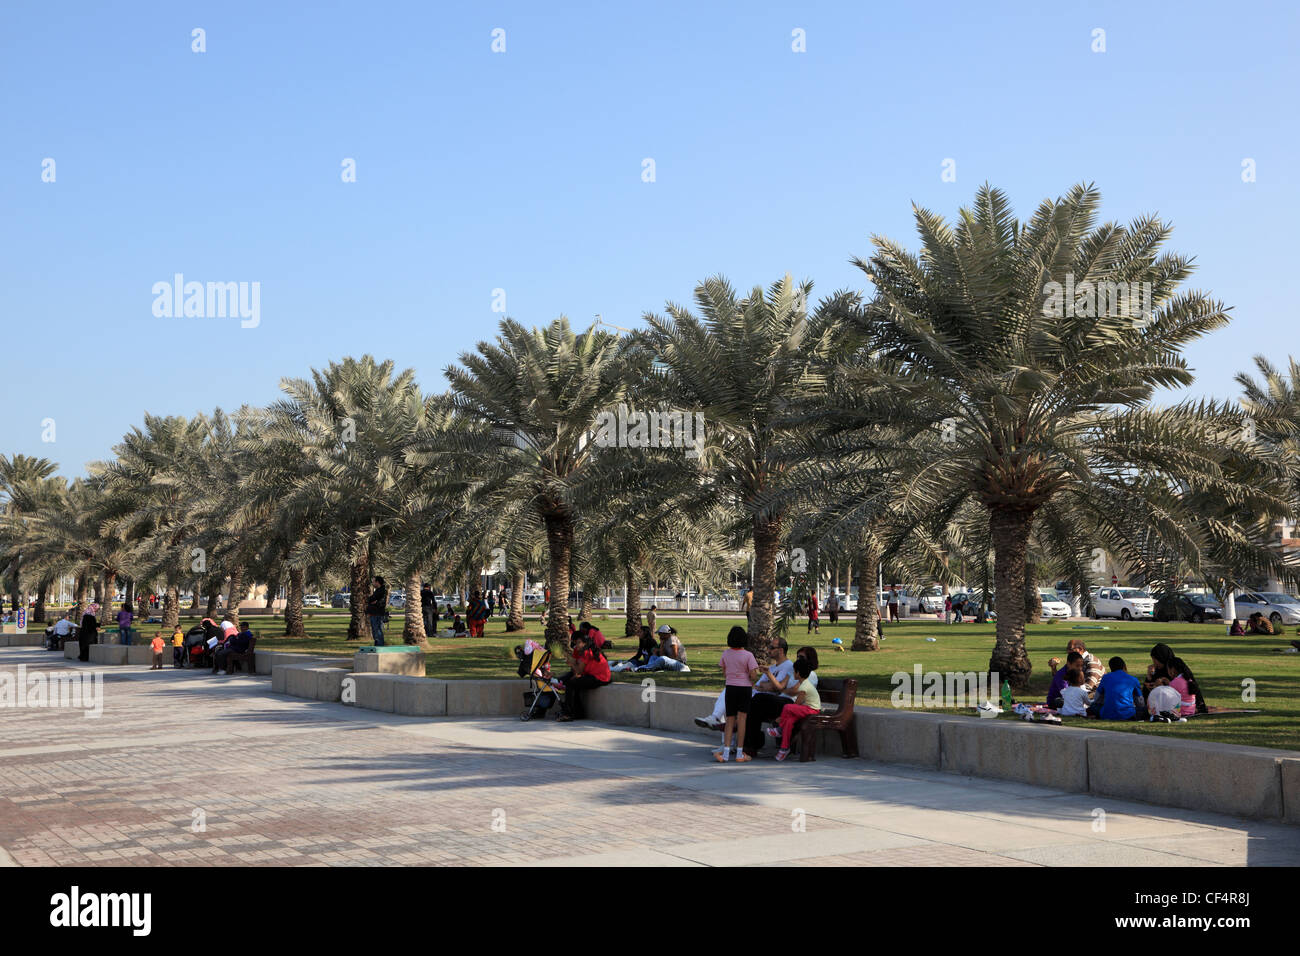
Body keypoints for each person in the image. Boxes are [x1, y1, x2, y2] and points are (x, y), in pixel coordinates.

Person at [716, 627, 760, 762]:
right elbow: (753, 675)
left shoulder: (726, 654)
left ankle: (726, 753)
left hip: (730, 688)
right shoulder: (748, 655)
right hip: (744, 689)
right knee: (742, 720)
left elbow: (724, 671)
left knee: (729, 720)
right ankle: (740, 753)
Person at [766, 657, 822, 761]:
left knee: (787, 707)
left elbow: (796, 704)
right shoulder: (802, 684)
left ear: (798, 673)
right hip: (806, 708)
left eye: (794, 672)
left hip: (812, 710)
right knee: (789, 721)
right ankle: (784, 748)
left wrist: (780, 719)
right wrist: (785, 718)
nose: (793, 674)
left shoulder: (803, 687)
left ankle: (779, 729)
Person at [558, 630, 611, 721]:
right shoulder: (577, 650)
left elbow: (578, 670)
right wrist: (573, 668)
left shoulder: (587, 652)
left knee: (571, 684)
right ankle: (578, 713)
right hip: (588, 674)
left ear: (585, 643)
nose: (576, 645)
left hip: (599, 678)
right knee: (566, 680)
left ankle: (568, 714)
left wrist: (572, 664)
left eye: (579, 643)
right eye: (574, 643)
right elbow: (576, 669)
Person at [1146, 643, 1206, 715]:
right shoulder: (1157, 670)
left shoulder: (1176, 671)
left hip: (1179, 706)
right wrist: (1149, 677)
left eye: (1155, 660)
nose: (1154, 663)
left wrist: (1161, 687)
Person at [365, 576, 389, 645]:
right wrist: (372, 601)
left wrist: (375, 602)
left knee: (378, 630)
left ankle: (380, 645)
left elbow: (380, 602)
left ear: (377, 582)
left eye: (374, 582)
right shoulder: (378, 590)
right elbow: (371, 599)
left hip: (377, 613)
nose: (373, 583)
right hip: (373, 613)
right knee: (375, 631)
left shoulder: (382, 591)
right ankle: (377, 645)